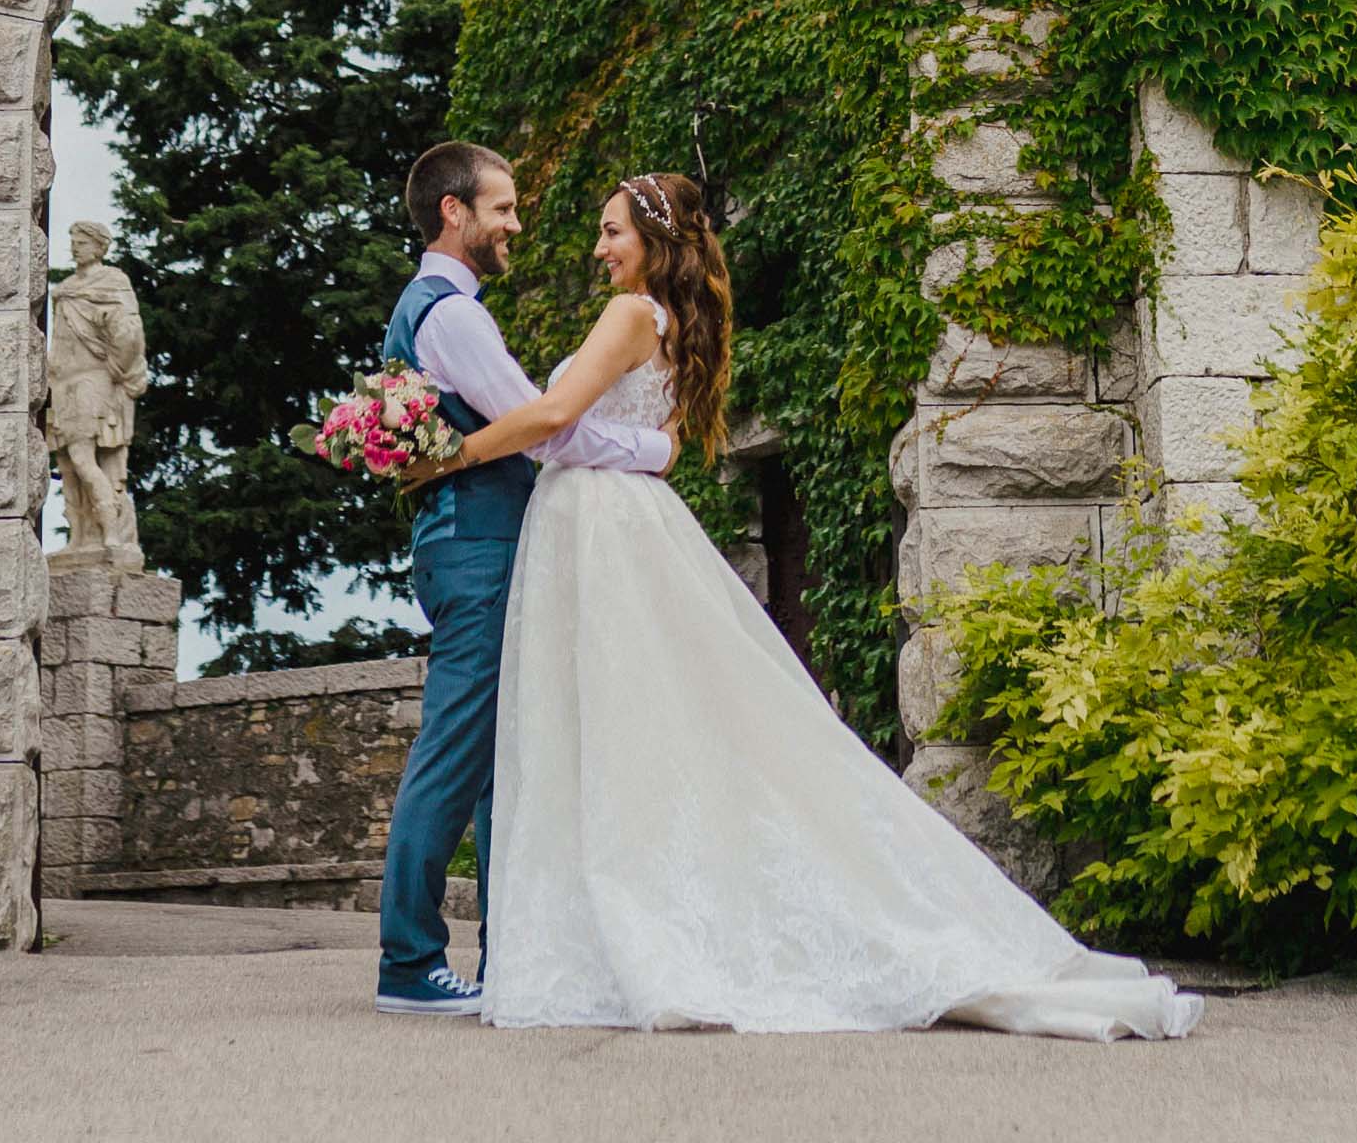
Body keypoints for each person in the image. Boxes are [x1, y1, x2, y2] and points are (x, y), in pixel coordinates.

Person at [429, 170, 1203, 1041]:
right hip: (610, 518)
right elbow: (656, 445)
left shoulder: (627, 314)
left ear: (654, 241)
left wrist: (446, 458)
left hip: (597, 527)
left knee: (615, 722)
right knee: (649, 721)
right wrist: (629, 448)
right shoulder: (675, 323)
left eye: (612, 232)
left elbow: (551, 417)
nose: (599, 247)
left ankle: (637, 922)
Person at [367, 141, 677, 1016]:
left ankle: (511, 951)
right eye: (501, 208)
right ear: (453, 212)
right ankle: (408, 962)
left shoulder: (433, 307)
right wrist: (655, 449)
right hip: (480, 545)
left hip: (467, 541)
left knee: (502, 759)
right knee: (456, 752)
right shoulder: (452, 316)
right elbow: (547, 429)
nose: (515, 224)